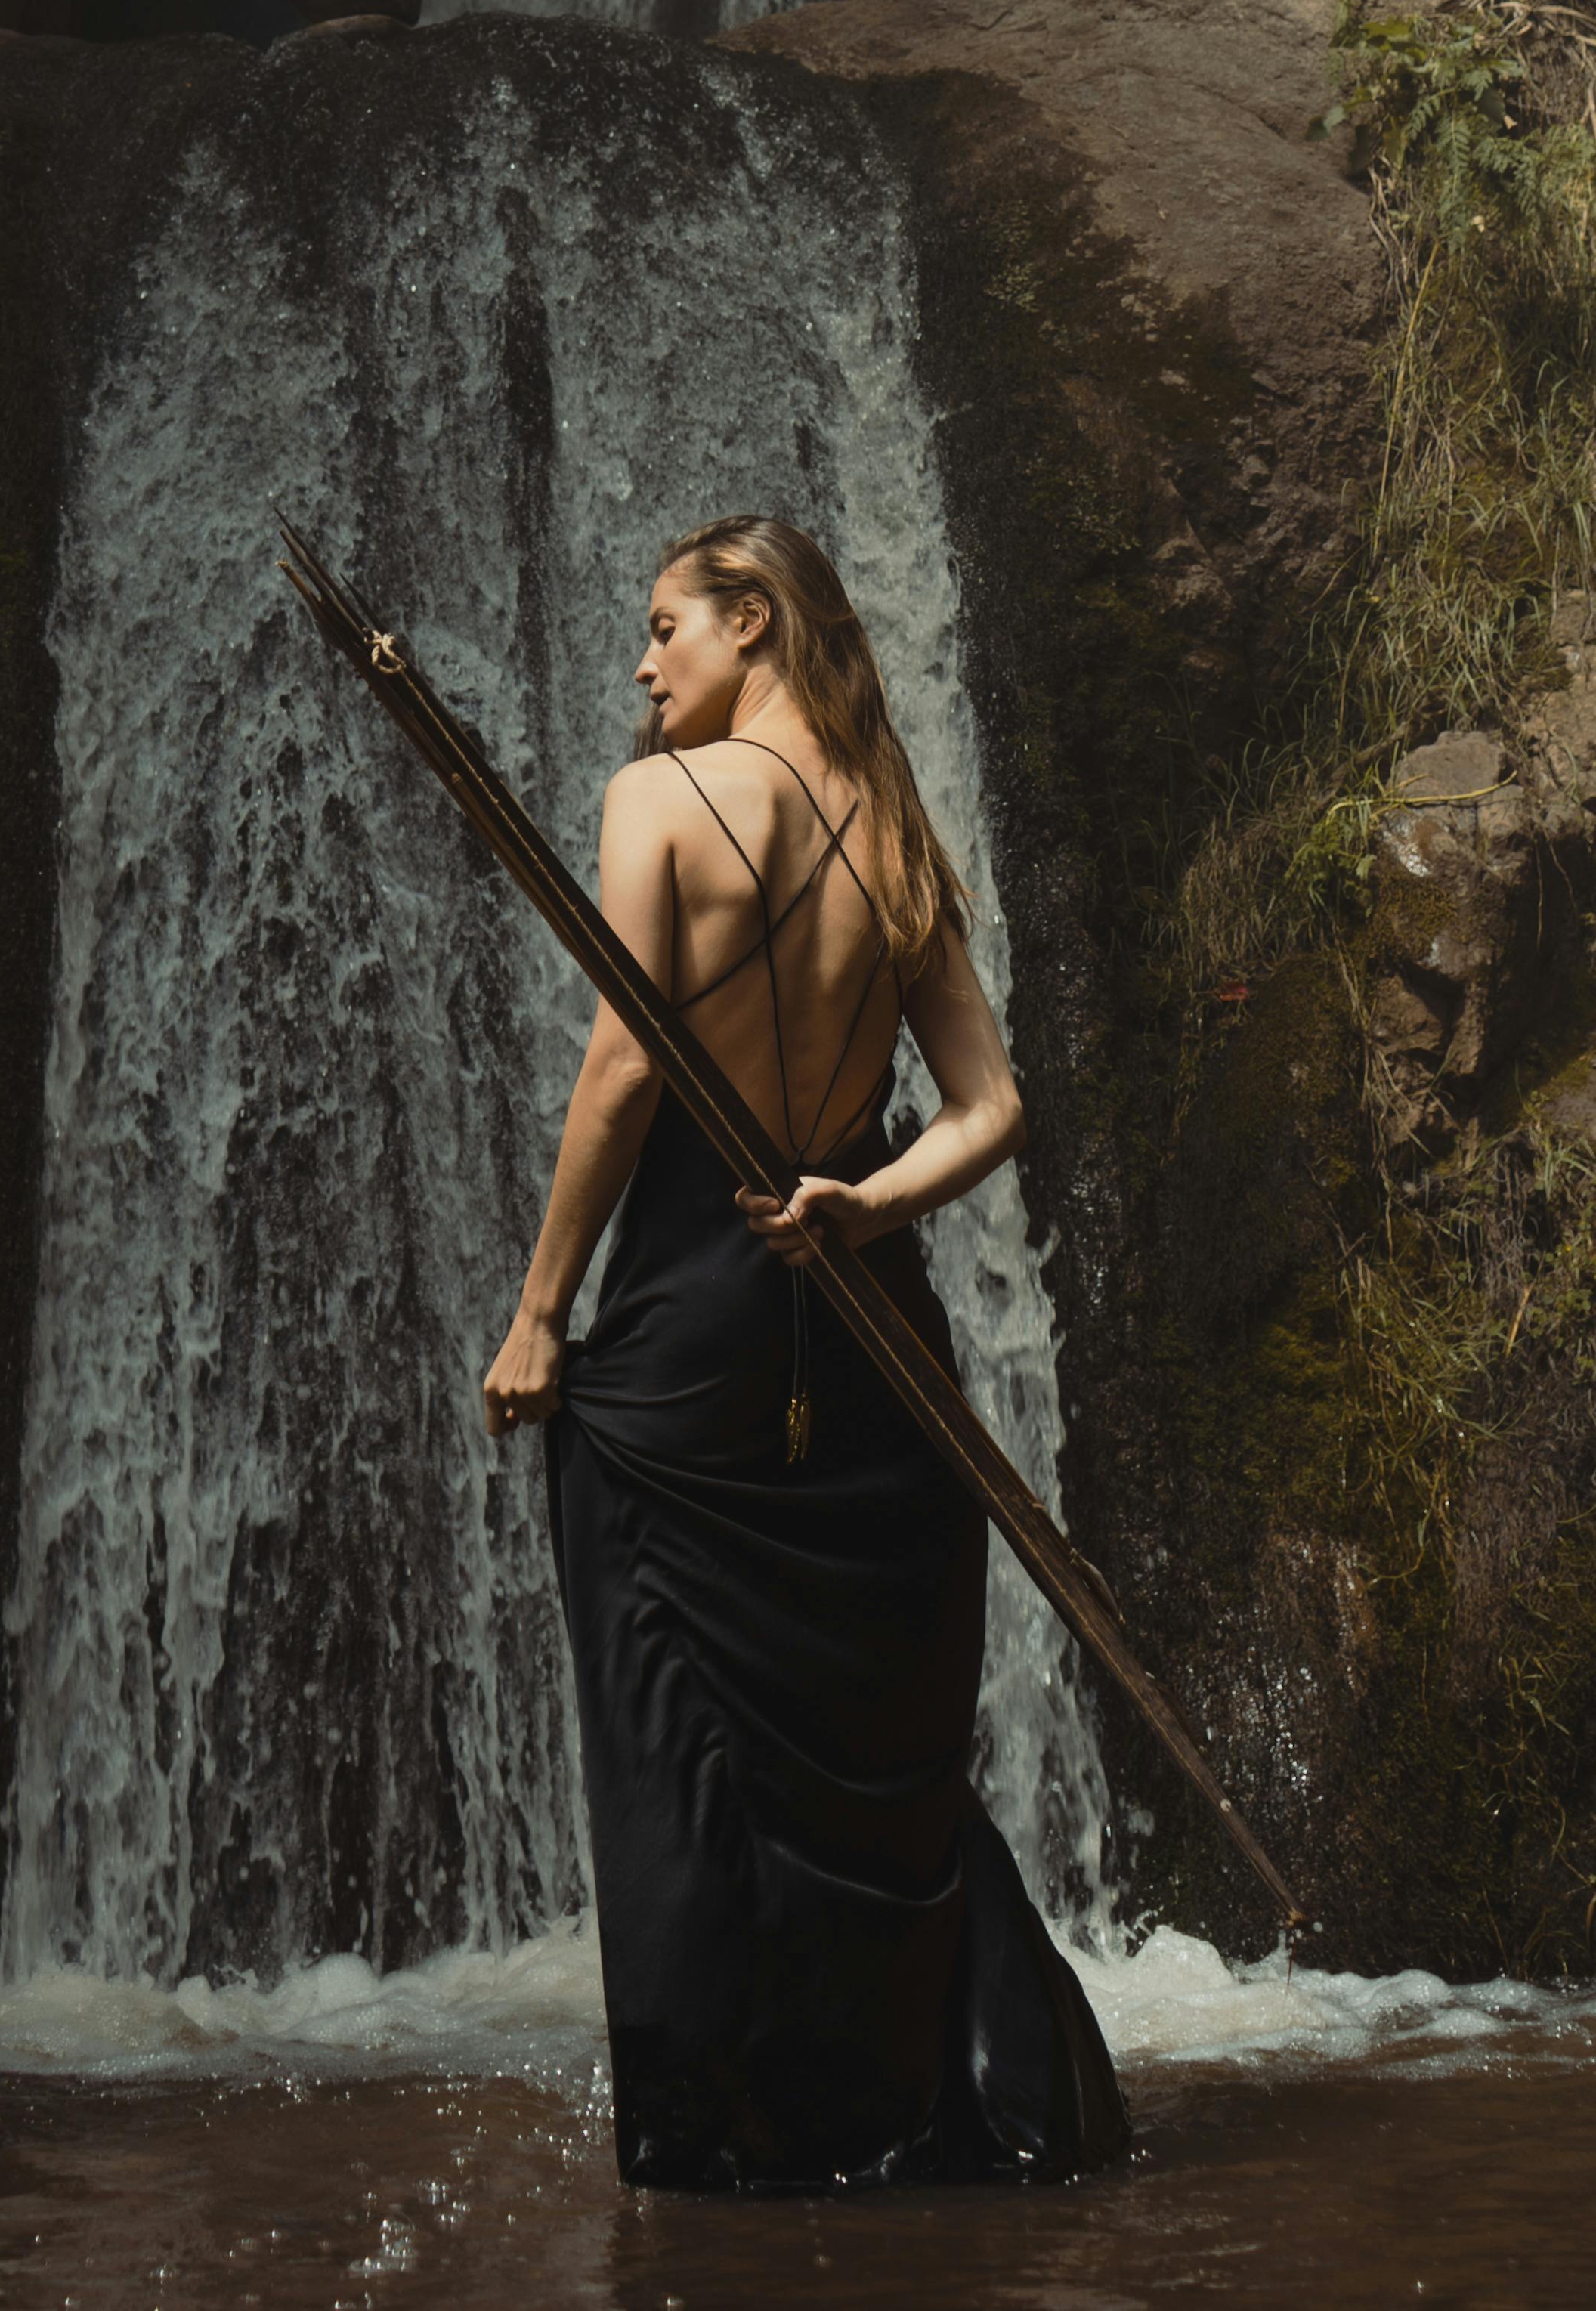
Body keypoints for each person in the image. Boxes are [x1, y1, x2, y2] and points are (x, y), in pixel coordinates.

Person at [481, 515, 1127, 2192]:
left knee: (676, 1728)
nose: (642, 665)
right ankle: (969, 2106)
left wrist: (545, 1303)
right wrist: (858, 1203)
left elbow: (629, 1063)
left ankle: (722, 2139)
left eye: (663, 627)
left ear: (750, 622)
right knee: (868, 1754)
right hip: (873, 1354)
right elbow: (989, 1108)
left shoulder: (664, 803)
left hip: (692, 1343)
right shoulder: (891, 828)